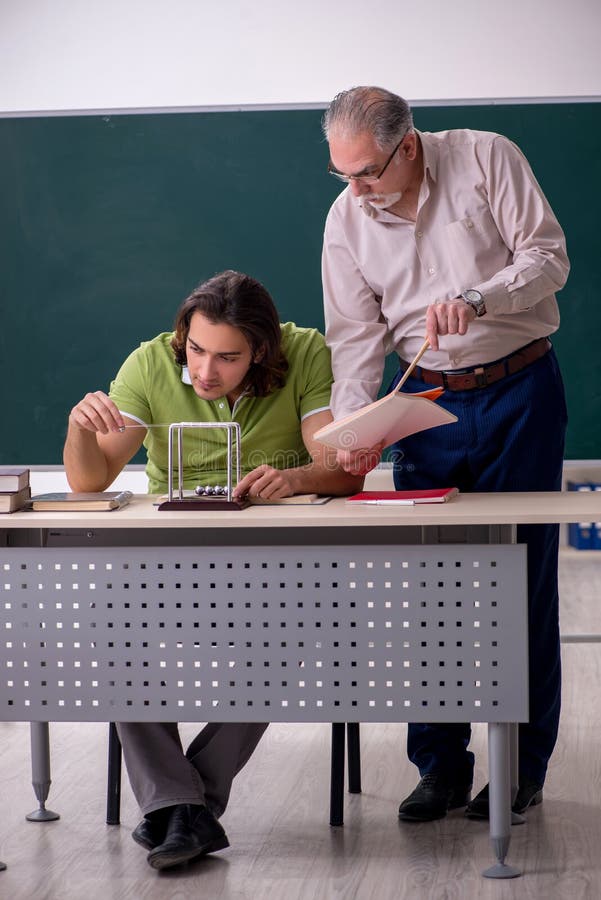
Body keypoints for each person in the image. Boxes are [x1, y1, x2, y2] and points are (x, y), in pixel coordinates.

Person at [321, 86, 569, 823]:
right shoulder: (345, 218)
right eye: (342, 174)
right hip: (420, 405)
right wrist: (352, 432)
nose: (356, 188)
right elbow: (354, 341)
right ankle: (439, 767)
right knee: (429, 593)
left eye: (366, 172)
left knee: (521, 579)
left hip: (517, 386)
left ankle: (519, 770)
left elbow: (548, 259)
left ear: (407, 144)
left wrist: (480, 297)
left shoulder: (487, 156)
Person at [64, 269, 362, 869]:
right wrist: (79, 426)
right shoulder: (150, 364)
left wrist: (297, 478)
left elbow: (343, 470)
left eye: (227, 357)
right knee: (111, 623)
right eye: (196, 350)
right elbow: (89, 480)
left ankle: (176, 806)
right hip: (166, 557)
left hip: (273, 564)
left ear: (262, 350)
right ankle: (188, 810)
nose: (204, 370)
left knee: (293, 624)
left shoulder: (304, 353)